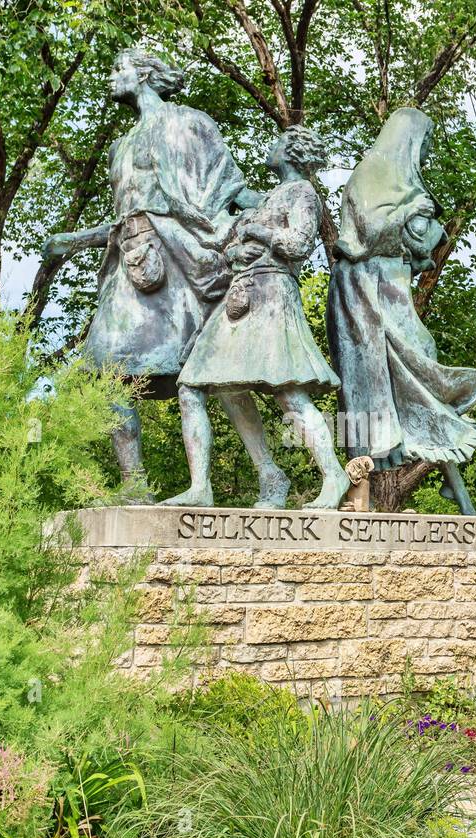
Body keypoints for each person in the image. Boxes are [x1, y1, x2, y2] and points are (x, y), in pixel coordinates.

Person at [42, 50, 284, 502]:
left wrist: (280, 203)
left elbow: (228, 189)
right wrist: (72, 240)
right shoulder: (120, 148)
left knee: (216, 374)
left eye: (119, 67)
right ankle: (134, 485)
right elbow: (125, 218)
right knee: (106, 372)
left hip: (184, 262)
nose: (111, 76)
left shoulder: (189, 122)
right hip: (127, 270)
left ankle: (269, 472)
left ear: (146, 74)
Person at [167, 126, 349, 510]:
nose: (271, 147)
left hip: (271, 295)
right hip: (241, 295)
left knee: (289, 393)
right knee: (198, 385)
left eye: (278, 142)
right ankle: (207, 486)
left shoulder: (302, 193)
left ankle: (334, 475)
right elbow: (224, 241)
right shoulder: (268, 198)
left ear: (292, 152)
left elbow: (297, 243)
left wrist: (255, 229)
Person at [325, 107, 476, 514]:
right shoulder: (371, 173)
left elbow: (425, 248)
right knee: (361, 393)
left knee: (424, 376)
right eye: (426, 143)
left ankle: (455, 485)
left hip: (391, 291)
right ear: (411, 139)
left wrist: (422, 222)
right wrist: (412, 212)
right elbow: (366, 231)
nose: (428, 153)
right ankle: (358, 494)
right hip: (362, 294)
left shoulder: (406, 183)